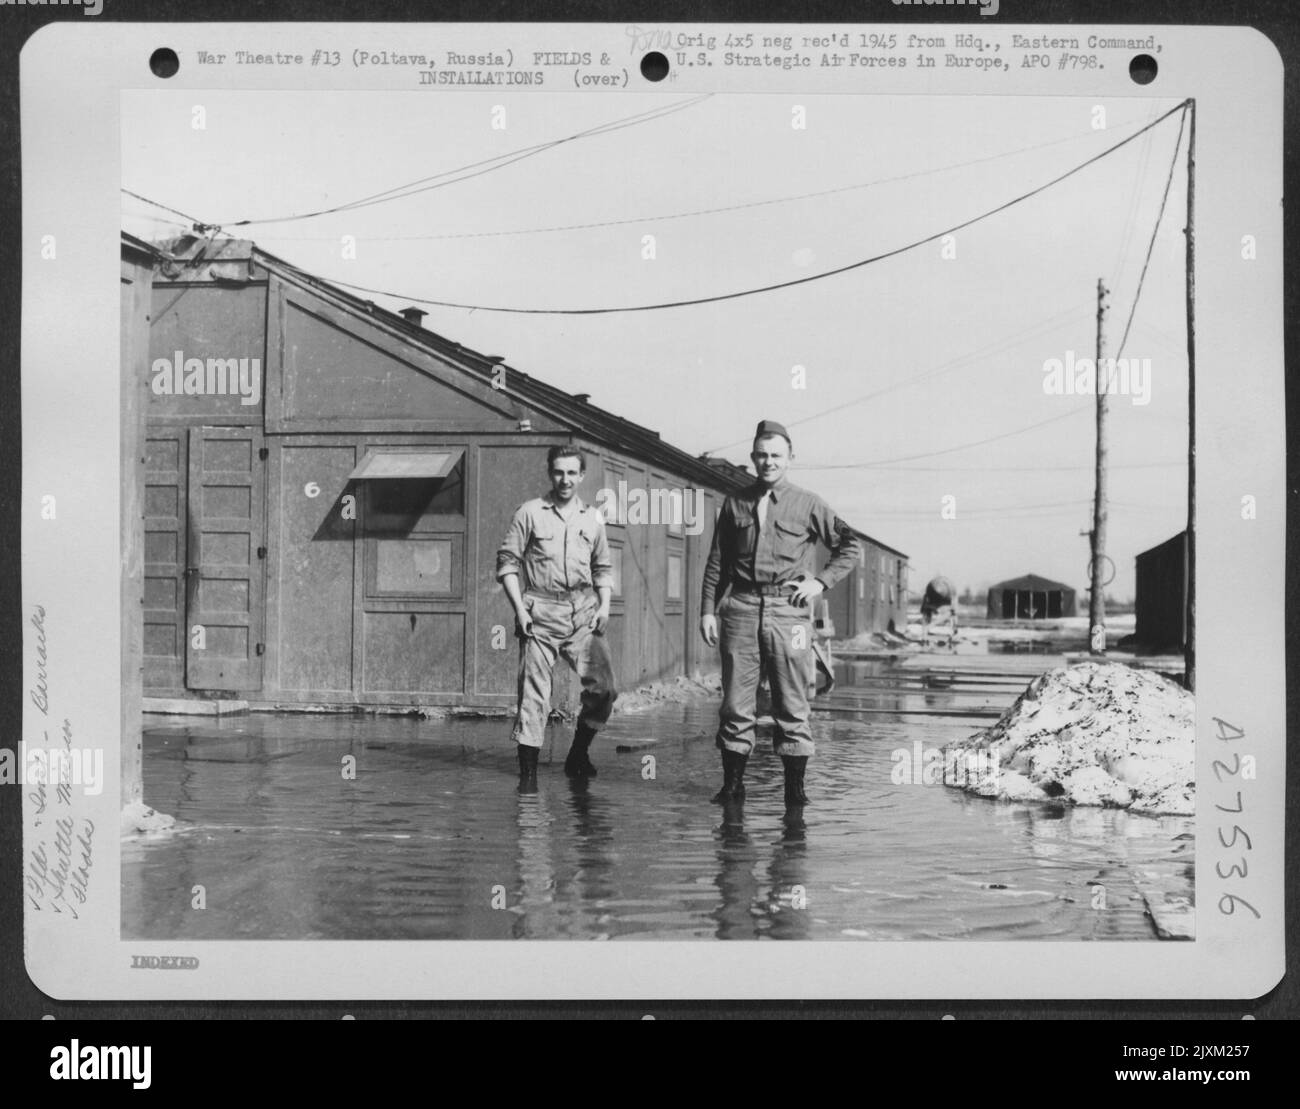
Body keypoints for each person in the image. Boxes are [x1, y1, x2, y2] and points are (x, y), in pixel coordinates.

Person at [700, 420, 861, 806]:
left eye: (776, 455)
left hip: (790, 613)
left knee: (792, 701)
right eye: (761, 454)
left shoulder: (808, 503)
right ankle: (733, 787)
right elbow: (717, 561)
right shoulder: (735, 502)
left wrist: (820, 583)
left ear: (790, 458)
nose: (768, 462)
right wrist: (708, 609)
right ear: (752, 456)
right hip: (739, 608)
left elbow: (850, 546)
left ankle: (795, 793)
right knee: (736, 703)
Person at [496, 445, 617, 793]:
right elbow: (507, 563)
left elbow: (602, 567)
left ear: (581, 476)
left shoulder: (592, 518)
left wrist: (604, 607)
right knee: (534, 696)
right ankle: (528, 780)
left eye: (571, 473)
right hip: (540, 613)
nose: (565, 480)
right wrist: (520, 610)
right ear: (550, 473)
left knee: (604, 689)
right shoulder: (530, 513)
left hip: (582, 614)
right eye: (558, 472)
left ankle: (578, 754)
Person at [920, 574, 958, 648]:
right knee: (927, 618)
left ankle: (926, 631)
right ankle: (926, 631)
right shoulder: (933, 589)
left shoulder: (948, 591)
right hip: (935, 601)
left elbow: (953, 611)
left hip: (943, 602)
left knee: (951, 615)